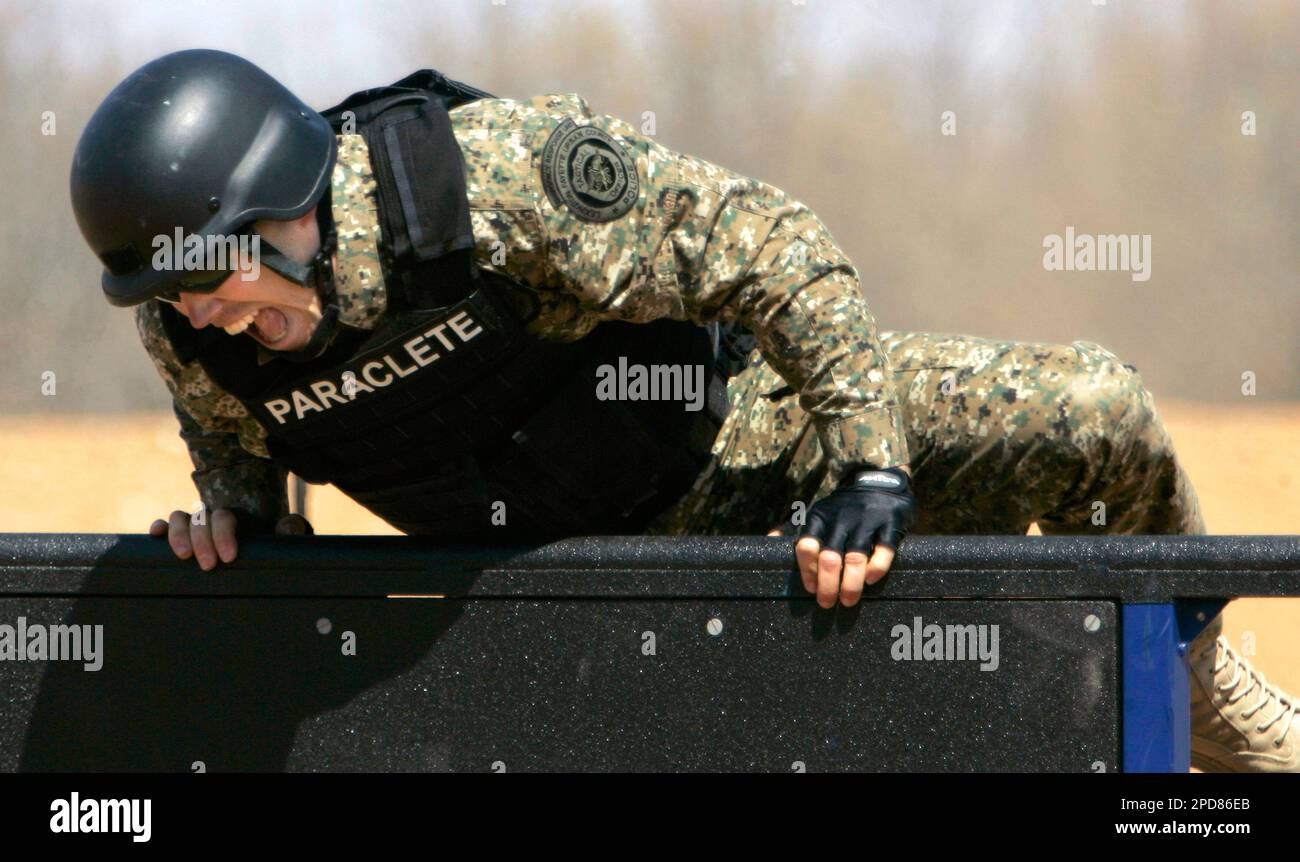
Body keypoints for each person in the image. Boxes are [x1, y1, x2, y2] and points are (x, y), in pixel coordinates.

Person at [69, 49, 1294, 772]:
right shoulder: (194, 327)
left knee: (1092, 413)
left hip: (747, 456)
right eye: (169, 297)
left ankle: (1183, 673)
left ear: (281, 208)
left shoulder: (488, 182)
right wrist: (234, 530)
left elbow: (776, 248)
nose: (199, 318)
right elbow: (240, 462)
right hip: (536, 599)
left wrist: (869, 466)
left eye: (206, 281)